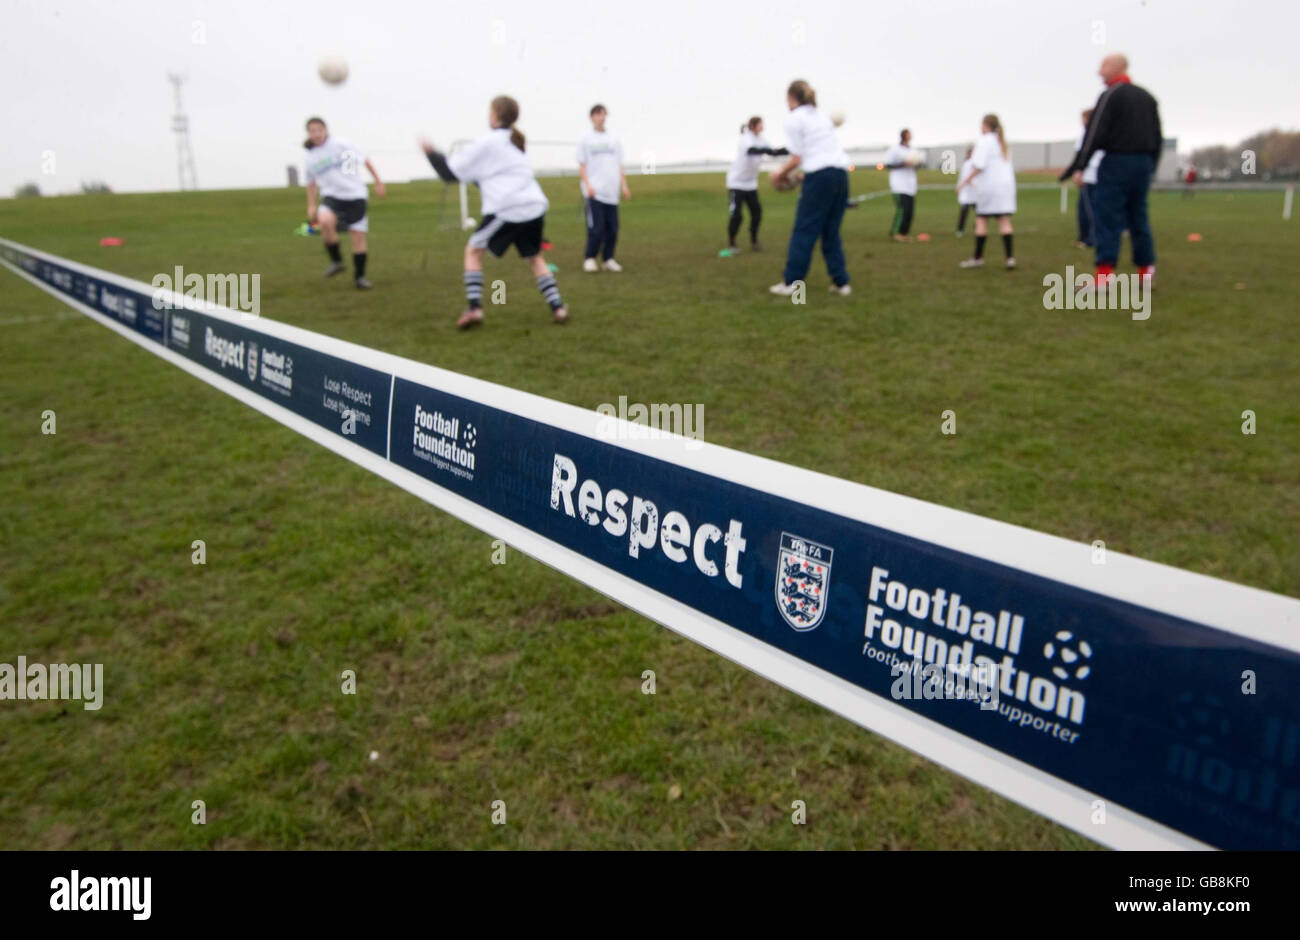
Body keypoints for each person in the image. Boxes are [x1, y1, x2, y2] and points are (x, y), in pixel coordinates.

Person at [422, 96, 568, 330]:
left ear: (495, 115)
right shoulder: (515, 142)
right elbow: (487, 178)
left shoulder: (487, 143)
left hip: (508, 208)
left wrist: (430, 153)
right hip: (534, 205)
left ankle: (475, 309)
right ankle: (558, 307)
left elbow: (450, 174)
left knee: (473, 251)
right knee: (535, 257)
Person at [1065, 53, 1162, 289]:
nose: (1099, 71)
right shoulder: (1147, 97)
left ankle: (1104, 276)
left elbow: (1094, 134)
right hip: (1143, 164)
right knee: (1138, 216)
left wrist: (1079, 164)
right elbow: (1158, 137)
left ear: (1115, 68)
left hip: (1116, 163)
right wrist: (1152, 167)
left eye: (1103, 66)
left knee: (1107, 217)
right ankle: (1146, 271)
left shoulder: (1110, 95)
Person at [769, 80, 852, 297]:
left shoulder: (794, 119)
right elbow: (822, 156)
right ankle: (841, 283)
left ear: (790, 97)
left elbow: (797, 158)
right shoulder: (821, 116)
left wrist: (780, 174)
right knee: (830, 232)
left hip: (820, 177)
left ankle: (792, 285)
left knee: (804, 231)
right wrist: (800, 177)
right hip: (840, 175)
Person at [303, 117, 385, 289]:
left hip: (355, 195)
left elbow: (365, 160)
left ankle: (360, 278)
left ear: (326, 130)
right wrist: (311, 204)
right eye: (312, 131)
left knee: (357, 237)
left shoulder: (342, 145)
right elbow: (310, 183)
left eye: (319, 129)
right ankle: (337, 261)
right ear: (309, 134)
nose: (316, 134)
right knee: (324, 221)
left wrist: (378, 181)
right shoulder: (310, 157)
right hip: (332, 196)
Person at [957, 114, 1017, 270]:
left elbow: (978, 165)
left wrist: (964, 182)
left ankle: (978, 258)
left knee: (981, 220)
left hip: (989, 187)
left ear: (985, 125)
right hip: (1006, 188)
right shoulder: (1002, 143)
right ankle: (1010, 258)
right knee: (1004, 221)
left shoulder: (984, 141)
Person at [722, 117, 788, 256]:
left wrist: (790, 151)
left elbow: (772, 152)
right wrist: (767, 150)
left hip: (750, 184)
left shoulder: (761, 139)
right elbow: (751, 150)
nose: (762, 127)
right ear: (753, 126)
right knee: (737, 215)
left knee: (756, 213)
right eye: (760, 124)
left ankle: (754, 242)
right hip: (736, 183)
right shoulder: (746, 138)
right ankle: (732, 243)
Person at [576, 105, 630, 272]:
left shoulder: (613, 139)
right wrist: (588, 184)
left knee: (612, 229)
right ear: (592, 117)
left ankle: (608, 259)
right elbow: (582, 164)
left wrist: (624, 185)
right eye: (598, 115)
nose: (602, 118)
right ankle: (590, 258)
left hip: (611, 192)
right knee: (596, 228)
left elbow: (619, 164)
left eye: (604, 115)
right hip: (594, 192)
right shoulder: (585, 139)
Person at [1059, 108, 1103, 248]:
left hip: (1090, 176)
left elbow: (1081, 157)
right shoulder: (1099, 133)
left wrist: (1076, 172)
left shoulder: (1088, 134)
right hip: (1092, 175)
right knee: (1084, 209)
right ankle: (1084, 237)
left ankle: (1091, 239)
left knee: (1090, 210)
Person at [883, 129, 920, 241]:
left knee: (910, 211)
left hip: (910, 185)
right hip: (898, 185)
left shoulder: (913, 150)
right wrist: (903, 164)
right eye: (908, 134)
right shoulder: (895, 150)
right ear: (903, 136)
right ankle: (895, 232)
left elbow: (917, 165)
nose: (910, 136)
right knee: (902, 210)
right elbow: (888, 165)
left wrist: (917, 163)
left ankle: (904, 233)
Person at [955, 146, 976, 236]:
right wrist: (960, 187)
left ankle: (978, 229)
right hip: (967, 192)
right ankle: (960, 230)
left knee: (979, 213)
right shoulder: (967, 164)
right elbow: (964, 177)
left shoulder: (974, 163)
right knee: (964, 212)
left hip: (975, 192)